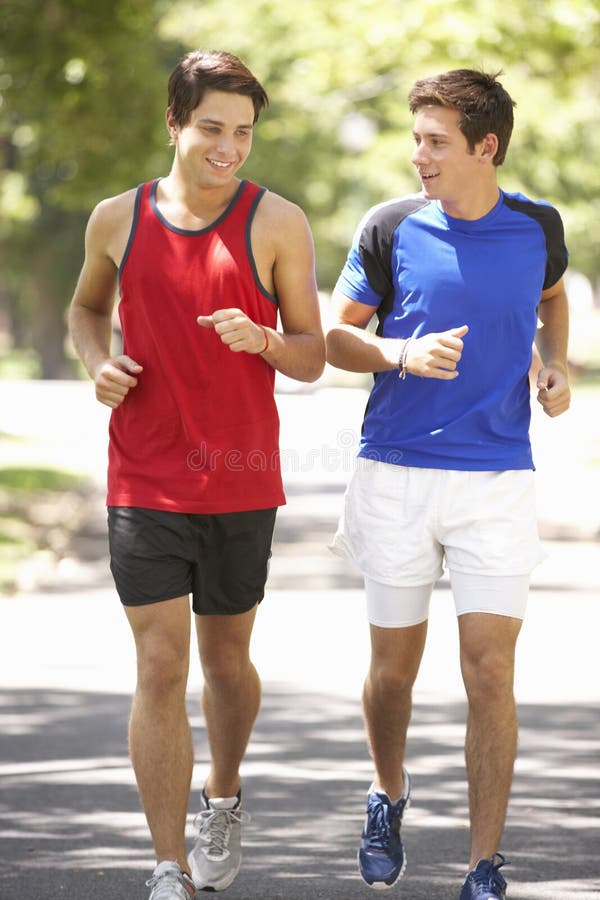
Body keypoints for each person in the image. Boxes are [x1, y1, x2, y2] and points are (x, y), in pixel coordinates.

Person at [69, 49, 324, 899]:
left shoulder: (278, 221)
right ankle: (168, 862)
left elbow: (314, 354)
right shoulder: (116, 217)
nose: (228, 147)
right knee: (159, 665)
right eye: (212, 128)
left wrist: (268, 342)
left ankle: (223, 793)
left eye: (243, 132)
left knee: (226, 662)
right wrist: (97, 361)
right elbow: (85, 308)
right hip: (143, 479)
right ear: (174, 122)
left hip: (241, 478)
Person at [327, 69, 570, 899]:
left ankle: (483, 863)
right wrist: (396, 352)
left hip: (497, 479)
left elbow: (551, 294)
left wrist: (555, 364)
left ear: (486, 147)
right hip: (395, 473)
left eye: (436, 142)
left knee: (490, 670)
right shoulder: (391, 225)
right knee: (393, 672)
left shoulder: (538, 225)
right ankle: (388, 791)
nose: (419, 156)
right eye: (417, 139)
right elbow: (334, 335)